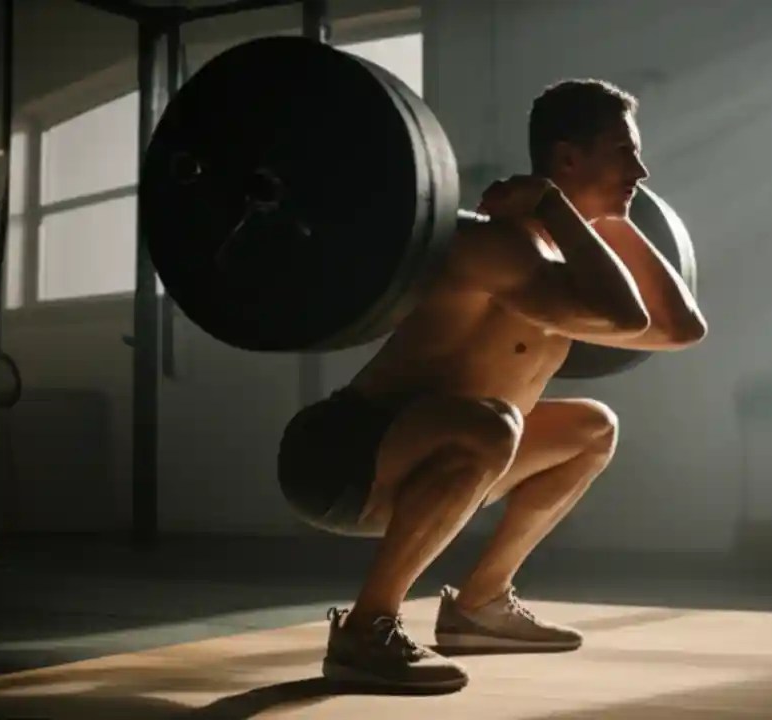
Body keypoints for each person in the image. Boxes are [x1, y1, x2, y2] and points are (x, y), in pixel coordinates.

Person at [277, 78, 707, 691]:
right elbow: (625, 317)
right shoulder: (500, 246)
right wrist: (559, 206)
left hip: (444, 457)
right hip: (340, 456)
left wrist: (608, 219)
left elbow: (682, 328)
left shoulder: (564, 261)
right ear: (566, 159)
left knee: (592, 428)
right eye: (623, 151)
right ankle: (364, 630)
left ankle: (480, 605)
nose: (640, 168)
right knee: (492, 423)